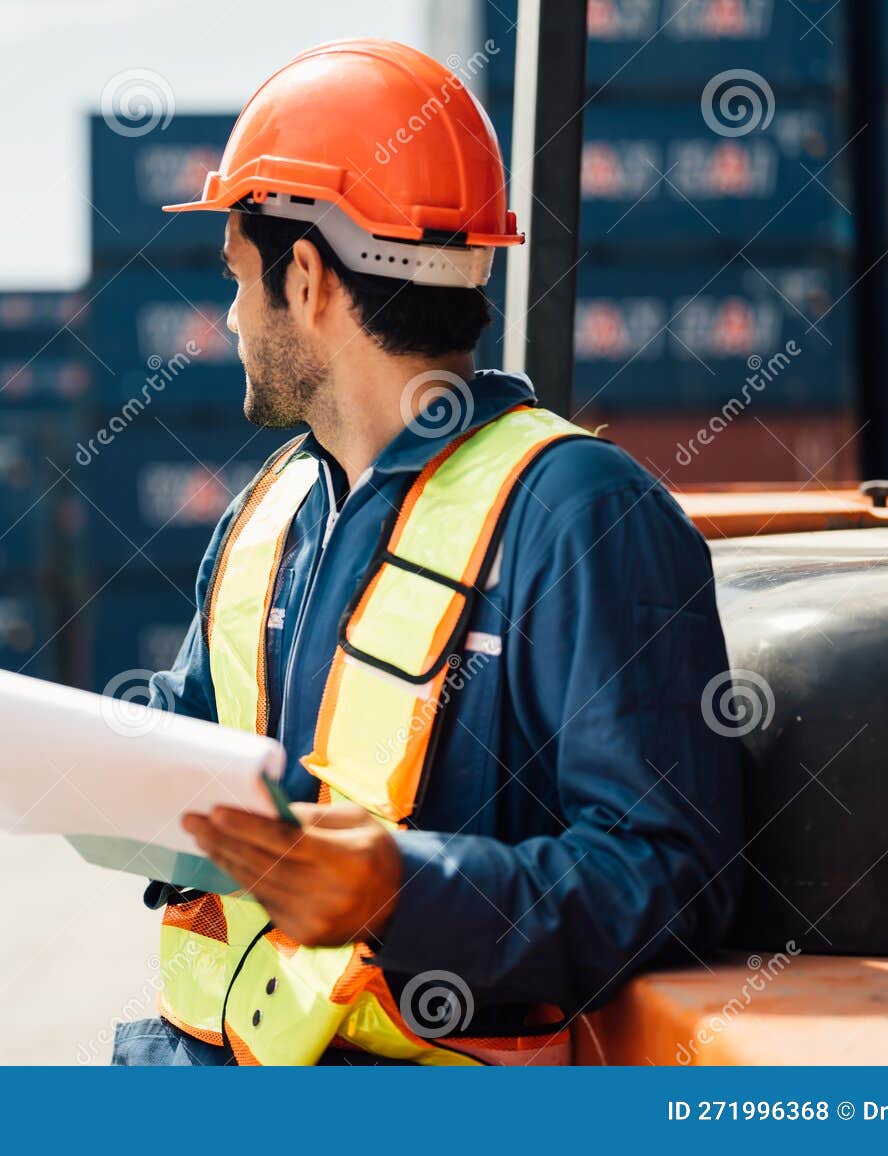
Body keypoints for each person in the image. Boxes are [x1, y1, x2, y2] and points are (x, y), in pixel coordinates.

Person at [110, 38, 742, 1066]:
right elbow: (195, 751)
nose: (228, 317)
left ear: (306, 278)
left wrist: (405, 891)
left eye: (237, 277)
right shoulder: (264, 516)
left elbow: (670, 876)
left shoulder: (579, 516)